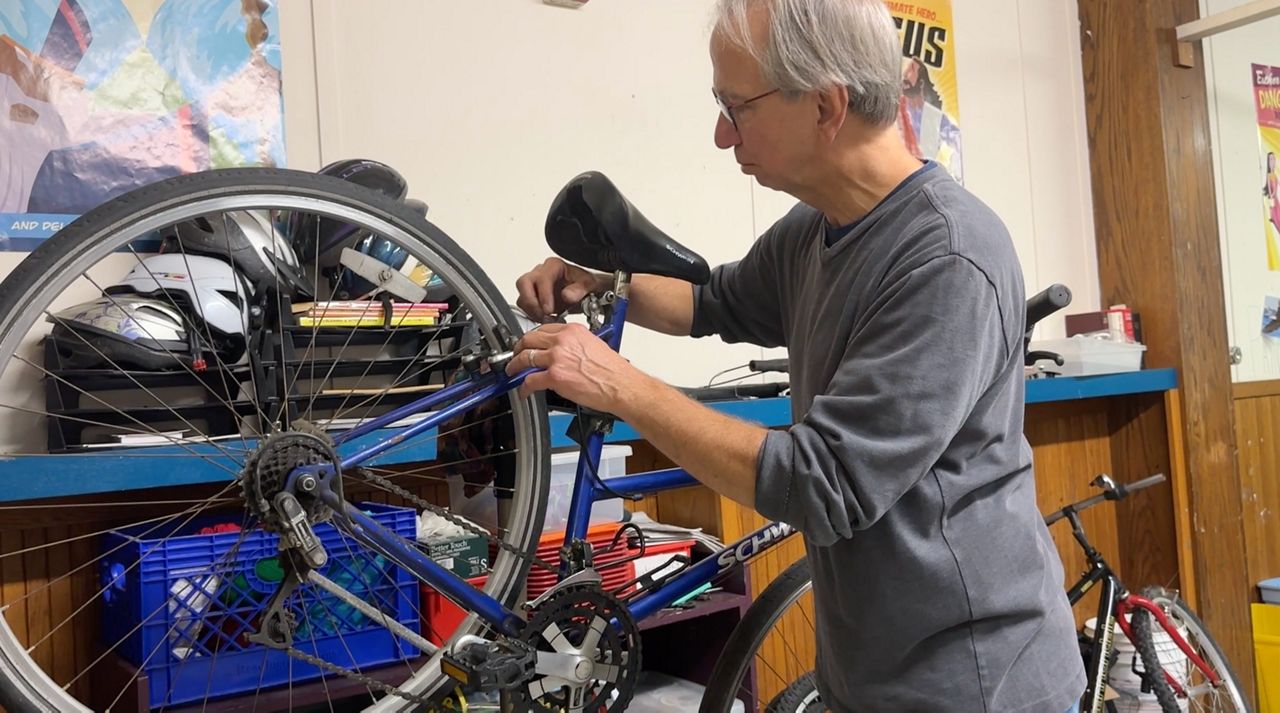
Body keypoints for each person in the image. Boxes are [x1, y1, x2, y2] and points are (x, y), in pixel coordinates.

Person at [508, 0, 1085, 710]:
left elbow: (823, 483)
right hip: (868, 671)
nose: (723, 135)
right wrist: (604, 284)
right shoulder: (817, 229)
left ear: (825, 106)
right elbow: (712, 300)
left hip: (973, 681)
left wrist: (620, 386)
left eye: (736, 106)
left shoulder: (948, 257)